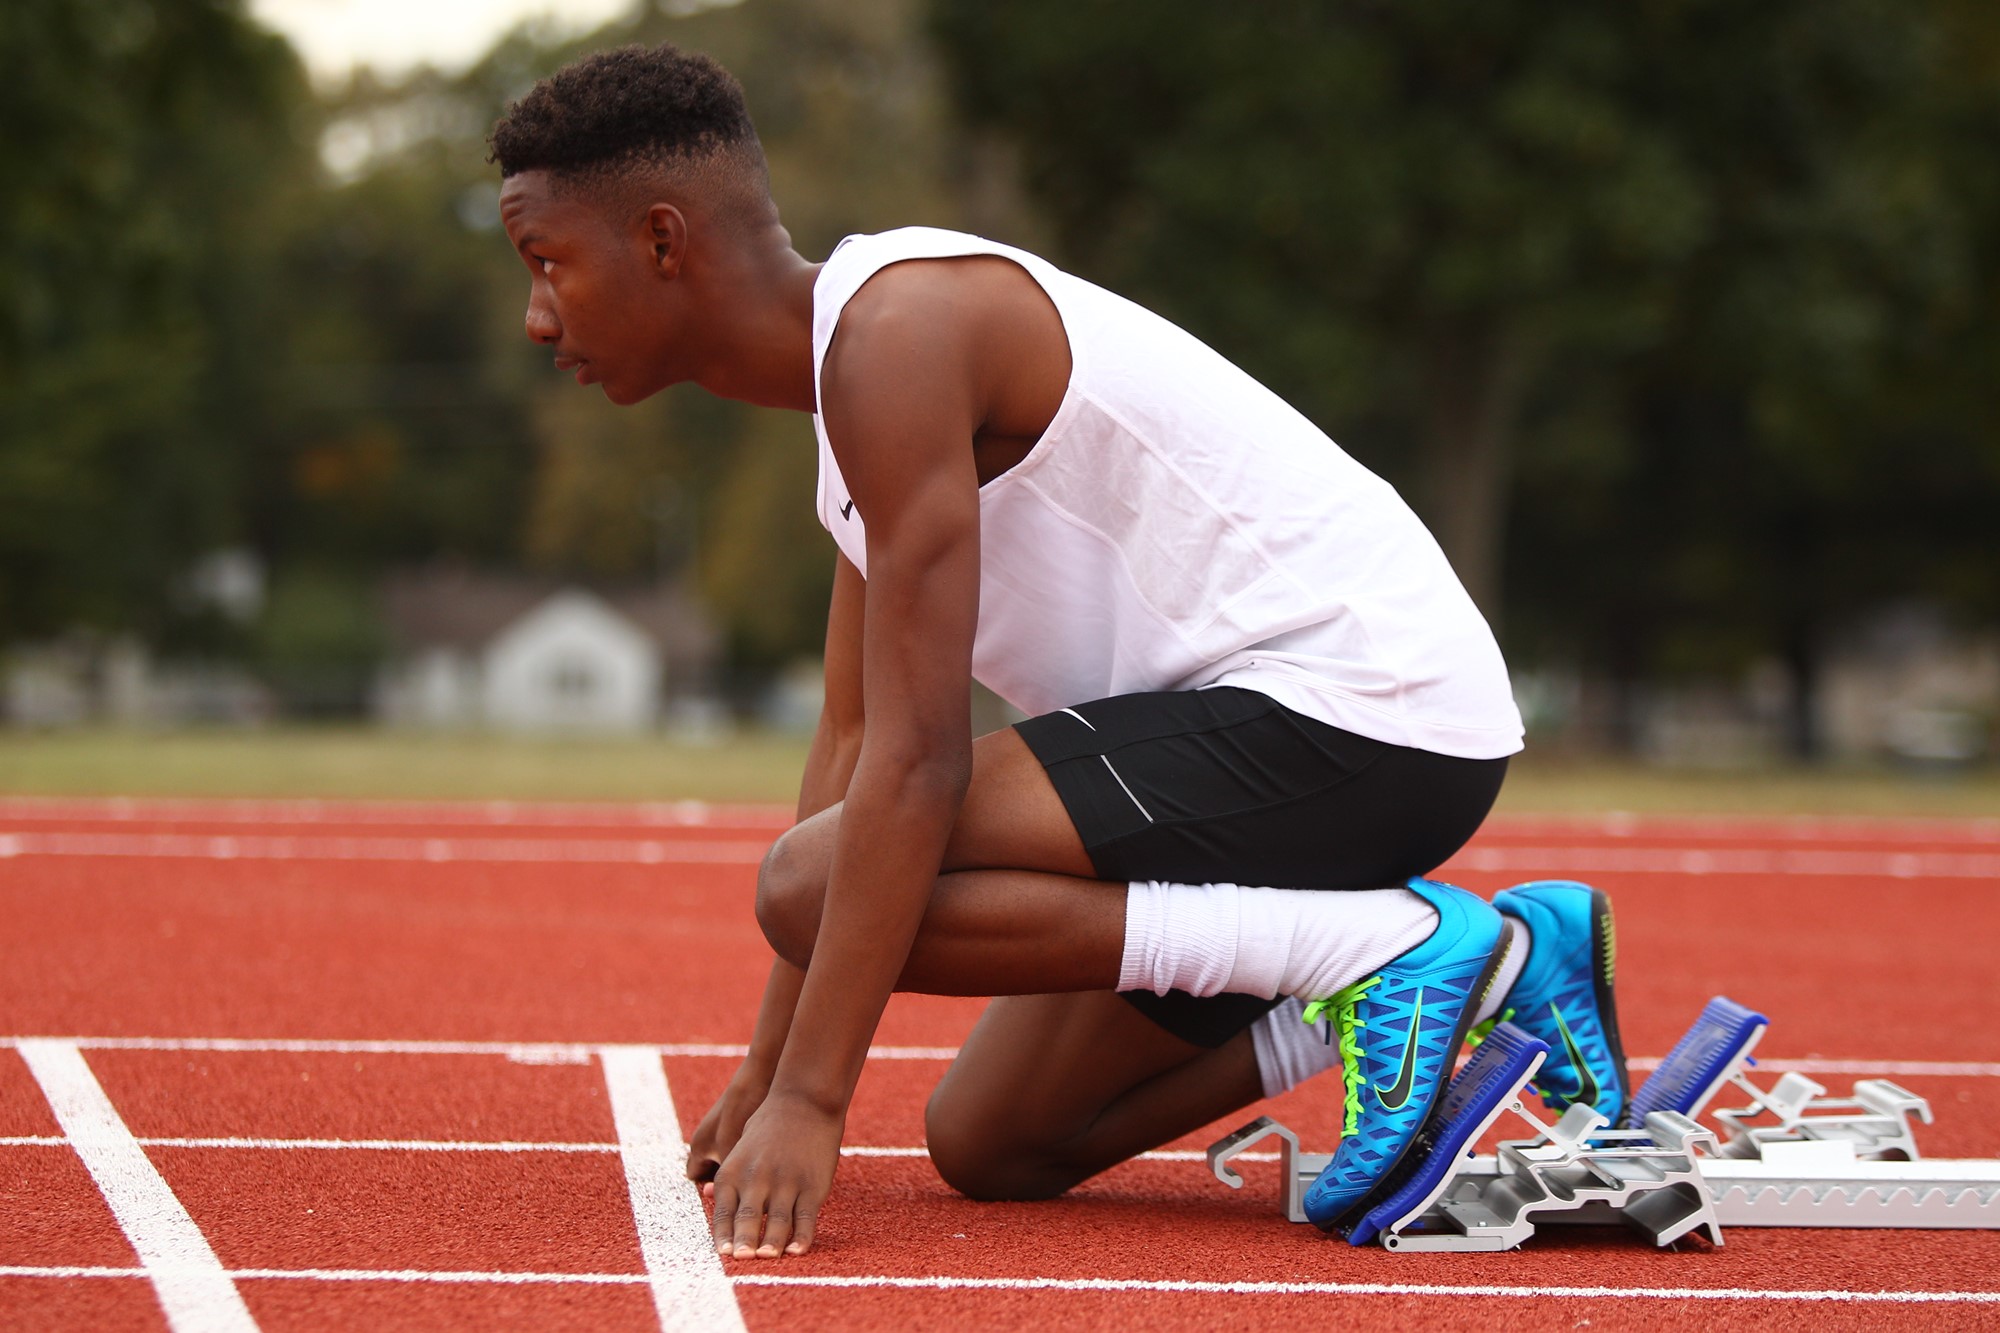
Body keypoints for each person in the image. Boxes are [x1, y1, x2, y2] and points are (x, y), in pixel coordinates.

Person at [487, 42, 1627, 1260]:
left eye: (547, 263)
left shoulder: (900, 335)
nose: (535, 313)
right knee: (994, 1142)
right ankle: (1485, 964)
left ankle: (1385, 949)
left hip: (1360, 710)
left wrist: (816, 1100)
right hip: (1272, 751)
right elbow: (855, 737)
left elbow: (915, 770)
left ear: (663, 241)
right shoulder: (851, 401)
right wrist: (770, 1073)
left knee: (807, 885)